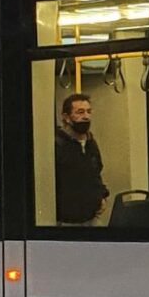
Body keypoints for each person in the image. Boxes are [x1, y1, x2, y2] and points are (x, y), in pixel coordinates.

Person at [51, 91, 107, 226]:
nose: (86, 117)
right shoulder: (56, 145)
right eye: (80, 112)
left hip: (92, 218)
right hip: (65, 221)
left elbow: (96, 173)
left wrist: (102, 196)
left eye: (88, 111)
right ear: (66, 117)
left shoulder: (91, 143)